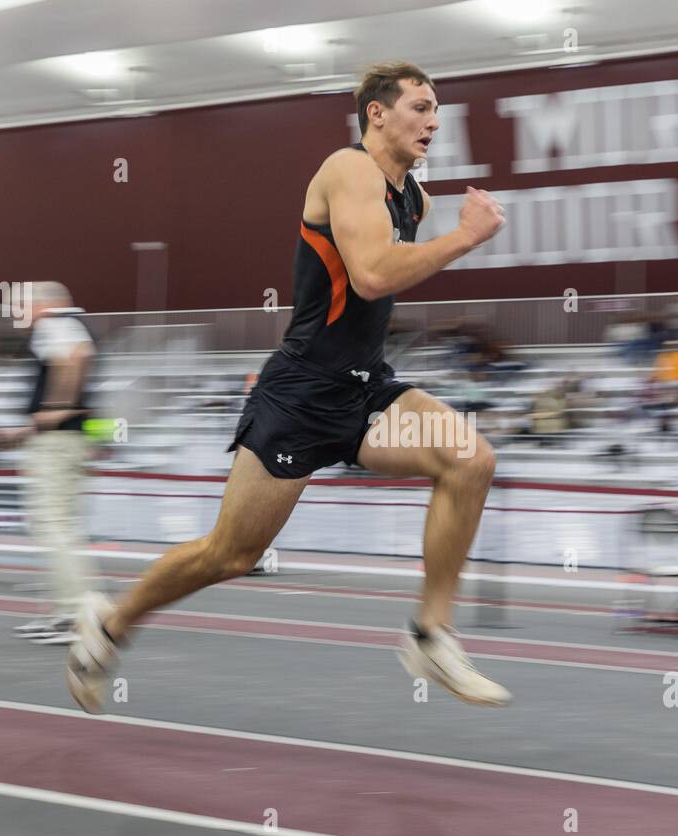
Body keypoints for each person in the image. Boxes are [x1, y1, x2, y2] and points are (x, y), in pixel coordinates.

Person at [65, 61, 511, 711]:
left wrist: (448, 239)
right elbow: (370, 277)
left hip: (365, 392)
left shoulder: (413, 198)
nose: (434, 120)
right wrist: (465, 240)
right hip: (300, 393)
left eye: (437, 108)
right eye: (420, 106)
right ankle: (108, 625)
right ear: (377, 114)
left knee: (471, 459)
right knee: (230, 554)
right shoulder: (347, 168)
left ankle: (432, 633)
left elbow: (383, 282)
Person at [0, 282, 99, 643]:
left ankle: (76, 615)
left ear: (44, 304)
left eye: (19, 305)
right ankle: (66, 611)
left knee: (52, 525)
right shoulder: (65, 323)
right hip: (63, 440)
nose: (15, 313)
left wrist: (54, 410)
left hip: (56, 442)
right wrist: (28, 428)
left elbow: (77, 355)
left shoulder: (54, 322)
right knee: (61, 527)